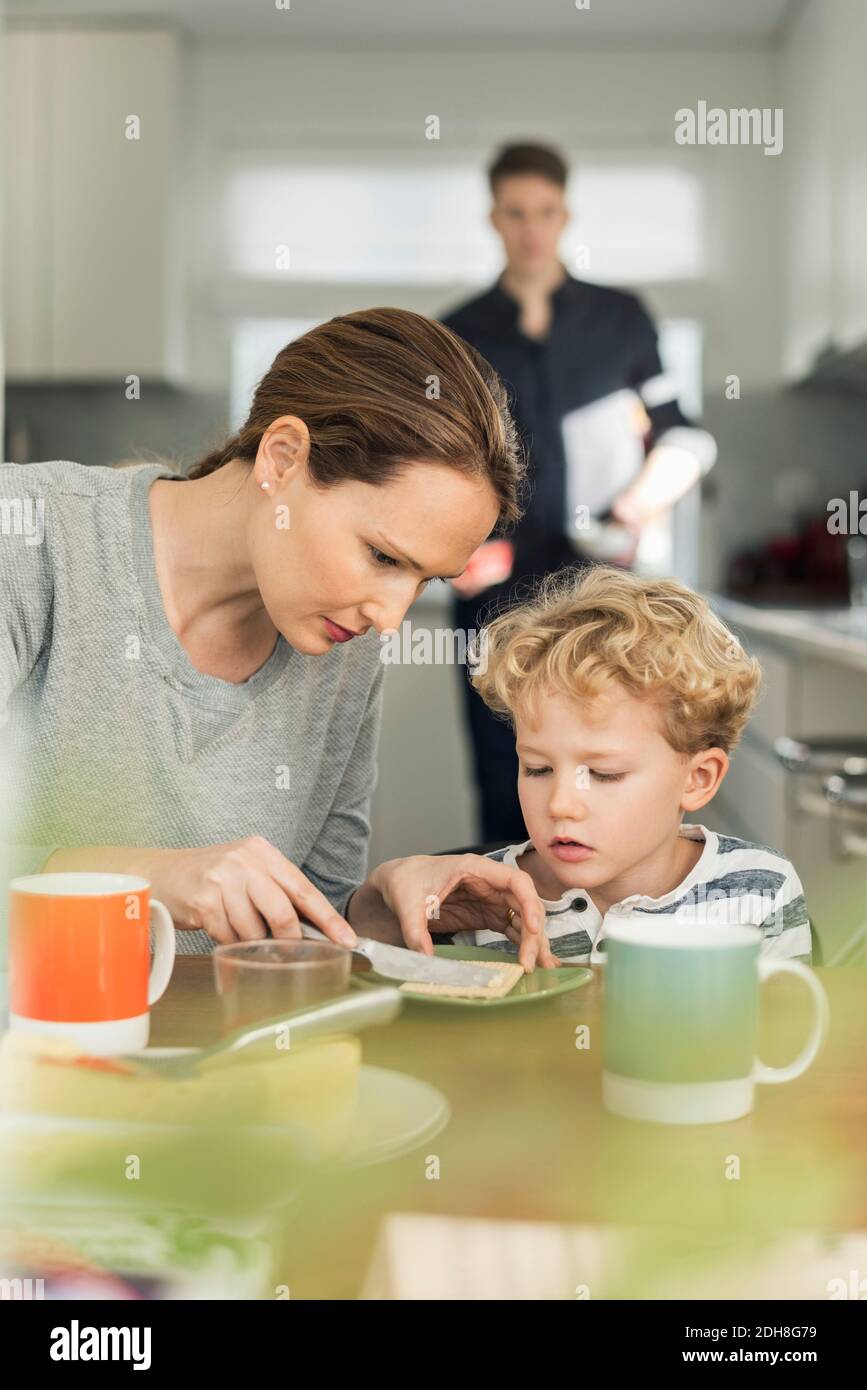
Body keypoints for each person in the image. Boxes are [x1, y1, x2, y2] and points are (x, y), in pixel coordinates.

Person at [0, 307, 556, 971]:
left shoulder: (343, 654)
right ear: (283, 458)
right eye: (382, 557)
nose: (389, 615)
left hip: (207, 1065)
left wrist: (369, 910)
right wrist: (145, 878)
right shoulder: (30, 539)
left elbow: (293, 933)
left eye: (425, 580)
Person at [441, 142, 717, 844]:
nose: (531, 228)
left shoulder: (620, 318)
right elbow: (441, 462)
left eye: (544, 211)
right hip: (494, 596)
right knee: (509, 779)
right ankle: (513, 938)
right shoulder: (458, 332)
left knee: (602, 773)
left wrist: (638, 503)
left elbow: (683, 437)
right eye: (514, 213)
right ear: (493, 218)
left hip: (601, 589)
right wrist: (455, 547)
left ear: (564, 214)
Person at [448, 565, 811, 965]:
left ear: (697, 778)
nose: (561, 804)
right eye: (538, 769)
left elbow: (789, 1025)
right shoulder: (485, 900)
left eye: (605, 774)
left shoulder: (760, 892)